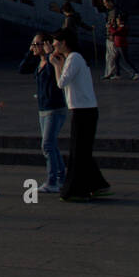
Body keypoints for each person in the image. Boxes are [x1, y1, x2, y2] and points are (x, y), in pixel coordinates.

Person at [50, 27, 111, 201]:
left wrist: (55, 65)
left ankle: (77, 189)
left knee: (78, 151)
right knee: (81, 150)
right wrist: (60, 63)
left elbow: (62, 83)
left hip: (84, 111)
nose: (54, 45)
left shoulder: (74, 58)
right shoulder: (72, 58)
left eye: (55, 41)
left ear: (63, 43)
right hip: (83, 110)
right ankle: (97, 185)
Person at [18, 31, 67, 193]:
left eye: (36, 44)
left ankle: (52, 181)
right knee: (51, 144)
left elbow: (56, 79)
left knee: (47, 145)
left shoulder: (55, 60)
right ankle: (62, 178)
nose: (33, 47)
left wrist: (48, 55)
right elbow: (22, 68)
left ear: (46, 44)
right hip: (43, 108)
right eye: (32, 43)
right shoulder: (38, 62)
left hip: (55, 107)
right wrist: (31, 51)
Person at [102, 0, 139, 81]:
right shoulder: (110, 12)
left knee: (124, 60)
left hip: (120, 43)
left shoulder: (121, 24)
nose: (105, 5)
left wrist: (110, 27)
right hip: (116, 42)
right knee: (115, 59)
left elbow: (116, 32)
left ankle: (134, 72)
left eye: (105, 3)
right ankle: (117, 74)